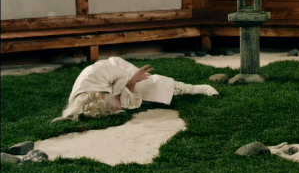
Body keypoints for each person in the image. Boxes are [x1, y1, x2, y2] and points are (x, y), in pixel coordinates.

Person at [54, 56, 219, 122]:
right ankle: (131, 100)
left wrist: (132, 82)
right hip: (112, 86)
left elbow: (123, 75)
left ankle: (195, 89)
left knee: (151, 84)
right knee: (126, 101)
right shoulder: (82, 100)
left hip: (119, 70)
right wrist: (118, 100)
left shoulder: (97, 73)